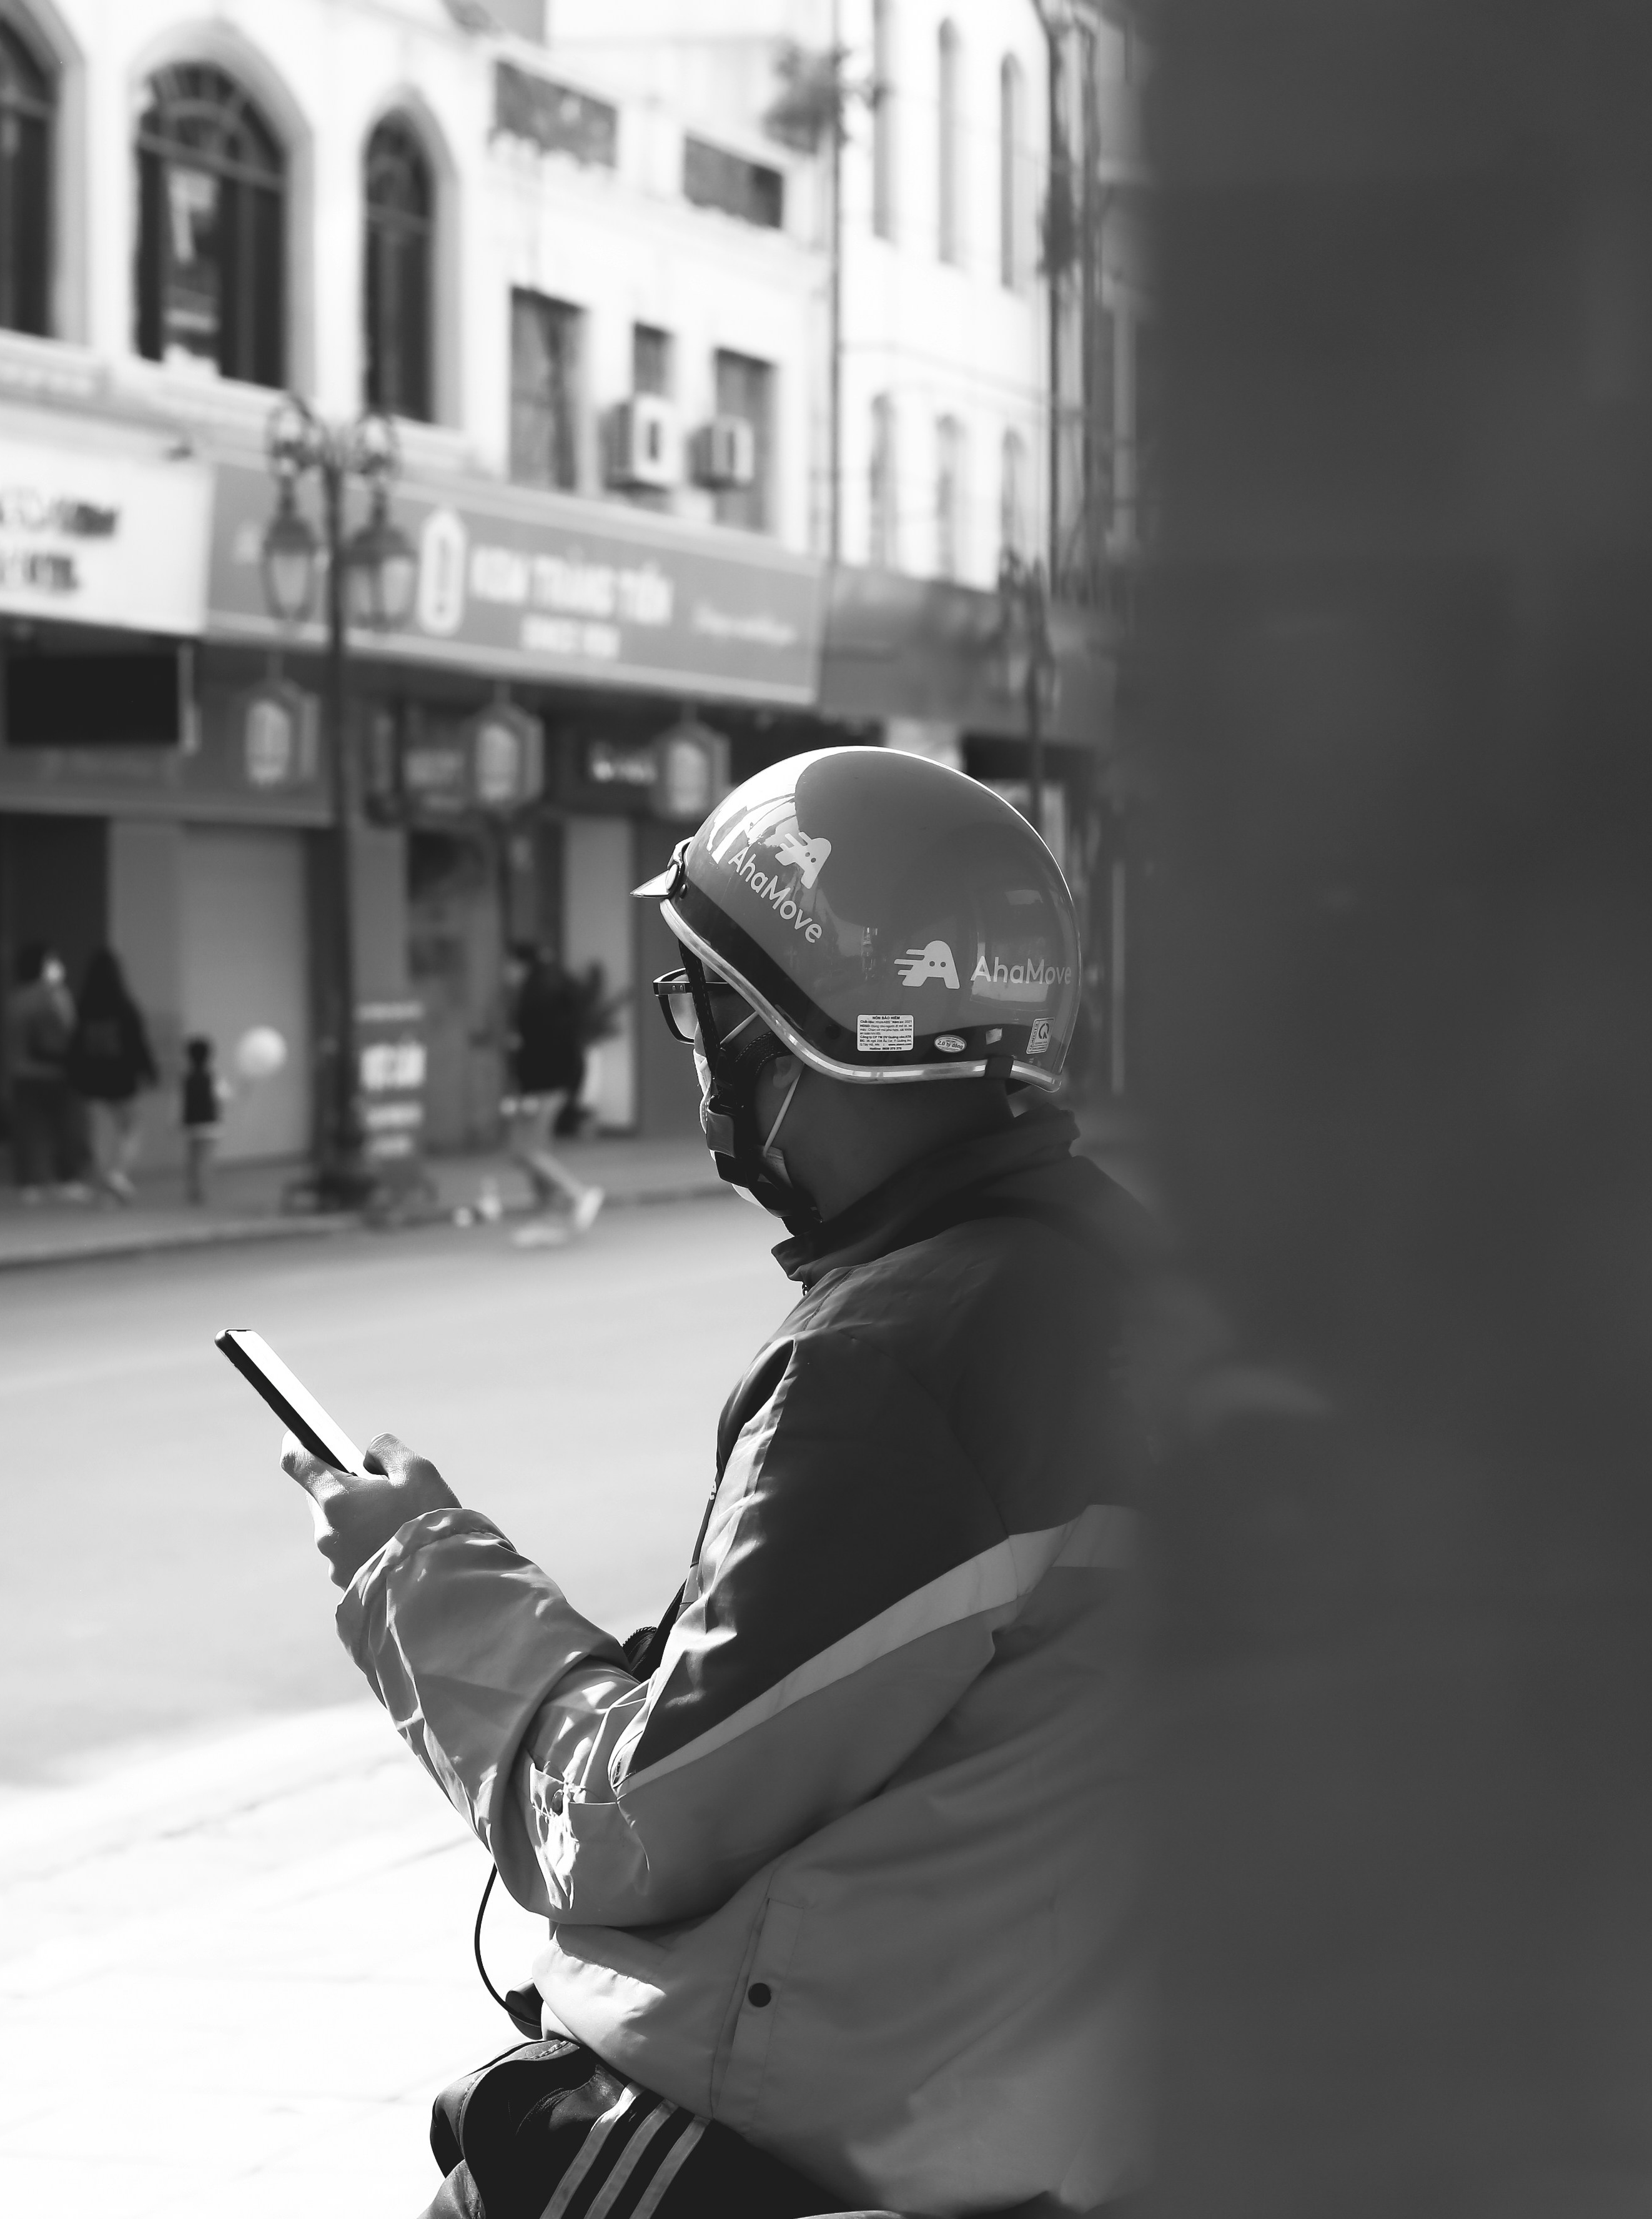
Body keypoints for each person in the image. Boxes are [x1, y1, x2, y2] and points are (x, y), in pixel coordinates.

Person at [282, 748, 1149, 2218]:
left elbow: (630, 1824)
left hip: (862, 2133)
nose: (691, 1047)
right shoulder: (1108, 1271)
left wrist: (410, 1571)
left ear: (784, 1040)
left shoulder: (906, 1363)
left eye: (701, 1005)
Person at [502, 943, 603, 1241]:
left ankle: (577, 1194)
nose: (504, 973)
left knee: (526, 1150)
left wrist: (529, 1092)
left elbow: (539, 1049)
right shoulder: (546, 989)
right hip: (551, 1083)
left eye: (507, 965)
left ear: (519, 964)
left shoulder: (537, 998)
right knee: (532, 1150)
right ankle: (548, 1216)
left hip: (543, 1085)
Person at [68, 948, 159, 1202]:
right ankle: (117, 1172)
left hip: (92, 1080)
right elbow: (138, 1043)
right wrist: (150, 1072)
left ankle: (102, 1175)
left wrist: (73, 1075)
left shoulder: (83, 1007)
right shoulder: (125, 1006)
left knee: (98, 1130)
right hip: (122, 1078)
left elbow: (74, 1046)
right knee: (130, 1127)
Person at [6, 940, 86, 1203]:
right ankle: (67, 1179)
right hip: (57, 1073)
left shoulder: (15, 998)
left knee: (29, 1129)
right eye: (53, 961)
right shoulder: (53, 994)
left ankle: (30, 1183)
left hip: (22, 1072)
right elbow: (69, 1030)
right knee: (66, 1128)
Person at [181, 1036, 226, 1204]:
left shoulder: (186, 1078)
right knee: (205, 1160)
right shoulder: (213, 1077)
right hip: (210, 1124)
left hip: (191, 1124)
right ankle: (202, 1192)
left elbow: (179, 1102)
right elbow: (222, 1097)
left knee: (193, 1159)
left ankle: (194, 1190)